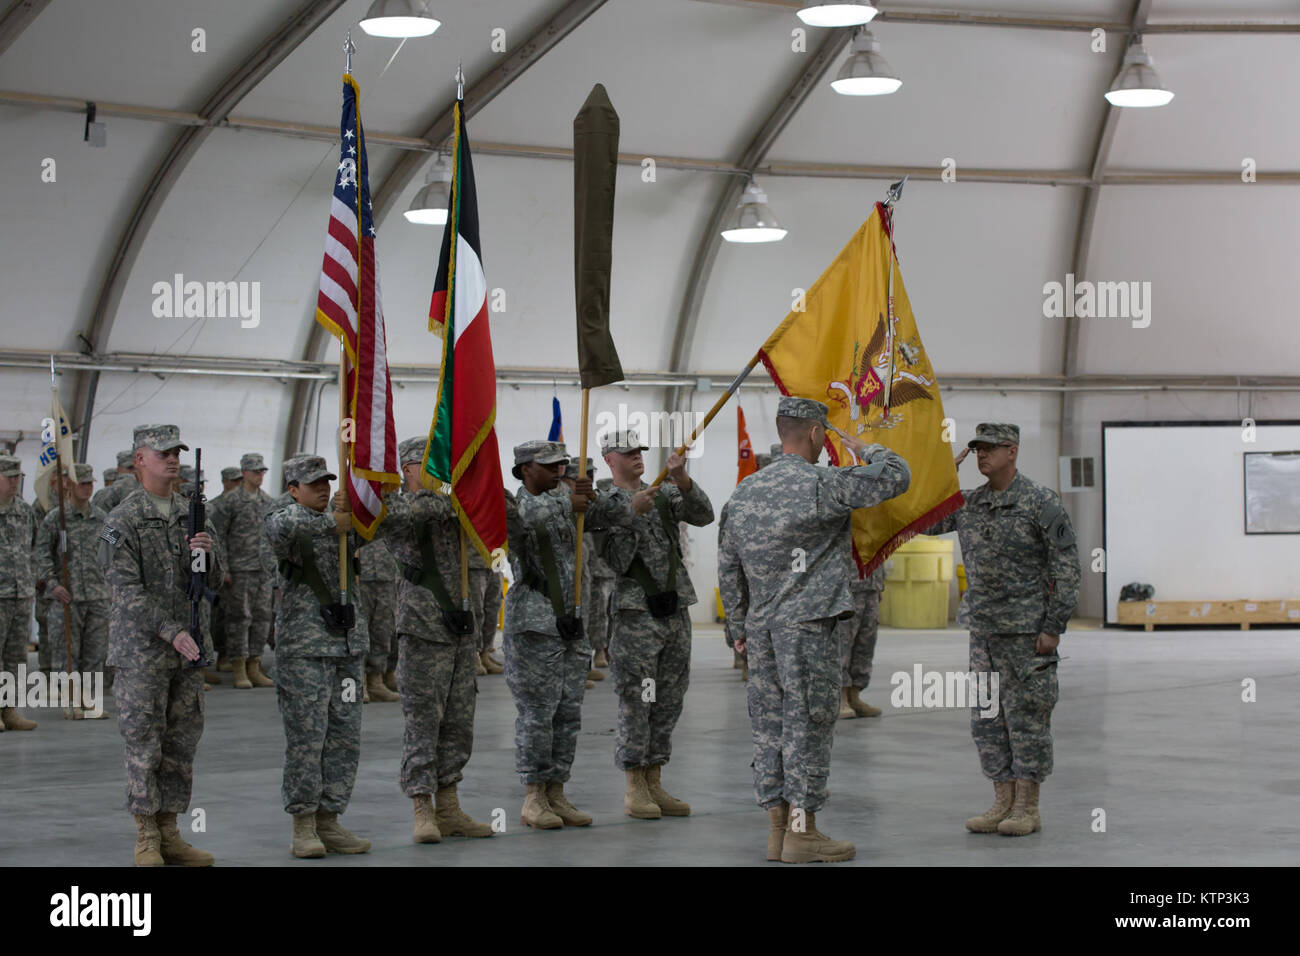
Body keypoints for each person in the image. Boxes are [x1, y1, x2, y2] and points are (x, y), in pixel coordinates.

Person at [718, 397, 910, 863]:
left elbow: (728, 566)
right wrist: (868, 448)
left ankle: (777, 831)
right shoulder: (824, 484)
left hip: (761, 632)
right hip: (807, 629)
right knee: (808, 725)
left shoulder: (745, 492)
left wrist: (738, 629)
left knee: (769, 730)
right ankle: (802, 835)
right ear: (818, 435)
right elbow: (897, 475)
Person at [926, 423, 1080, 837]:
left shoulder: (1039, 502)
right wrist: (944, 474)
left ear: (1012, 451)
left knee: (1027, 718)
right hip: (984, 632)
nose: (981, 456)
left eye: (990, 449)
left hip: (1027, 633)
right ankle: (1002, 801)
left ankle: (1028, 806)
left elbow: (1067, 569)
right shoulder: (969, 503)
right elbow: (922, 522)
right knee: (988, 719)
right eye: (977, 449)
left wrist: (1053, 626)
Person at [99, 424, 219, 865]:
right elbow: (125, 591)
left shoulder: (194, 512)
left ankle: (171, 831)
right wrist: (171, 630)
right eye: (163, 452)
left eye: (177, 452)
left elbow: (210, 578)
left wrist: (207, 551)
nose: (173, 459)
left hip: (188, 652)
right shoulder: (121, 520)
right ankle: (146, 833)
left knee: (181, 744)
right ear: (139, 461)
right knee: (144, 742)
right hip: (142, 653)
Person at [374, 437, 496, 844]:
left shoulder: (454, 501)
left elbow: (503, 510)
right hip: (424, 627)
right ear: (408, 469)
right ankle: (422, 806)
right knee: (424, 721)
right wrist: (458, 498)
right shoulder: (400, 505)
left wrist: (474, 488)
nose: (440, 473)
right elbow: (390, 518)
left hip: (463, 626)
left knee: (460, 722)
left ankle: (449, 805)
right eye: (429, 465)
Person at [504, 440, 631, 830]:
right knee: (537, 714)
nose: (560, 470)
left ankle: (557, 791)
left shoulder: (568, 499)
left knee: (568, 713)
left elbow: (620, 513)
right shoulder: (516, 502)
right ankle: (533, 796)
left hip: (573, 624)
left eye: (562, 464)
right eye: (549, 465)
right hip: (535, 622)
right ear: (526, 469)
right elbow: (524, 521)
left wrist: (593, 493)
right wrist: (569, 504)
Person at [599, 431, 714, 819]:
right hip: (636, 614)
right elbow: (611, 561)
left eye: (640, 452)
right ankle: (634, 786)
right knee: (638, 699)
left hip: (675, 606)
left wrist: (681, 480)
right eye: (627, 453)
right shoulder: (604, 503)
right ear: (609, 459)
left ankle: (655, 779)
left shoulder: (663, 492)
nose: (637, 458)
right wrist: (632, 514)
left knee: (668, 698)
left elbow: (703, 514)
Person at [265, 454, 370, 858]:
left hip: (346, 646)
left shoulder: (340, 520)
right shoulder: (284, 518)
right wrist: (333, 522)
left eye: (326, 482)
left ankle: (330, 819)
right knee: (307, 738)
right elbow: (282, 527)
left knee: (344, 736)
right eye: (313, 484)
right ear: (292, 489)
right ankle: (303, 825)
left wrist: (353, 510)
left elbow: (377, 528)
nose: (324, 489)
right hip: (305, 650)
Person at [37, 462, 111, 718]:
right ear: (70, 485)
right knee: (67, 652)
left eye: (90, 483)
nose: (87, 488)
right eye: (82, 483)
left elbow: (116, 549)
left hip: (97, 596)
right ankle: (70, 701)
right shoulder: (56, 519)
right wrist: (53, 583)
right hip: (66, 598)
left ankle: (89, 701)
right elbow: (42, 554)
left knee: (94, 652)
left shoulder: (102, 518)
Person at [211, 453, 276, 689]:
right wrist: (224, 568)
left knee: (262, 618)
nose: (259, 475)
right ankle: (238, 664)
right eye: (255, 471)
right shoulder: (230, 502)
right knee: (239, 618)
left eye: (262, 471)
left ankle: (254, 664)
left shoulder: (268, 502)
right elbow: (218, 537)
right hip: (239, 570)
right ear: (244, 473)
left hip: (262, 570)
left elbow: (273, 538)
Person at [560, 457, 610, 687]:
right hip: (565, 574)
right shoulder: (560, 500)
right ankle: (569, 673)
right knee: (569, 621)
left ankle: (581, 668)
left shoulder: (588, 500)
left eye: (591, 475)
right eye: (582, 476)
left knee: (585, 620)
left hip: (586, 570)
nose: (588, 479)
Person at [0, 454, 39, 732]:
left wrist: (29, 581)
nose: (15, 482)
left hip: (20, 594)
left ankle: (9, 710)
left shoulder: (25, 512)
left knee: (16, 657)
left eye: (17, 477)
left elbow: (34, 550)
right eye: (9, 477)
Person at [836, 563, 886, 719]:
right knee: (843, 641)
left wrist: (880, 583)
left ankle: (854, 696)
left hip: (871, 585)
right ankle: (840, 698)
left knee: (866, 641)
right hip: (849, 586)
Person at [357, 534, 400, 703]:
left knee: (383, 629)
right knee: (358, 631)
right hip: (360, 572)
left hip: (386, 571)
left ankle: (376, 680)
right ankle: (357, 683)